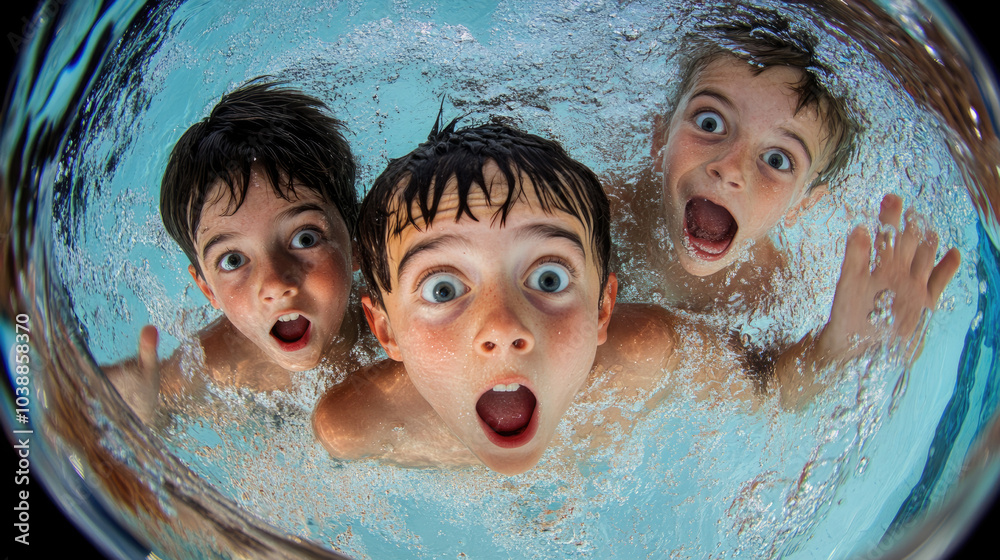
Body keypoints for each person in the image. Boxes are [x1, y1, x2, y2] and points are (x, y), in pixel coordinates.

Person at [313, 118, 958, 476]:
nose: (503, 327)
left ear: (603, 309)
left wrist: (841, 345)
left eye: (548, 278)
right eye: (445, 287)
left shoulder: (644, 350)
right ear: (383, 328)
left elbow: (769, 392)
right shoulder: (354, 426)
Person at [108, 79, 361, 422]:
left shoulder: (398, 317)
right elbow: (157, 411)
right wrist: (143, 416)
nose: (273, 283)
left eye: (305, 238)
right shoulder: (214, 362)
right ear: (208, 289)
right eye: (233, 260)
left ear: (357, 244)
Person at [617, 12, 858, 312]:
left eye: (776, 159)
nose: (731, 168)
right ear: (660, 139)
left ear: (801, 203)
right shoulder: (609, 209)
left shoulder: (768, 291)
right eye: (710, 123)